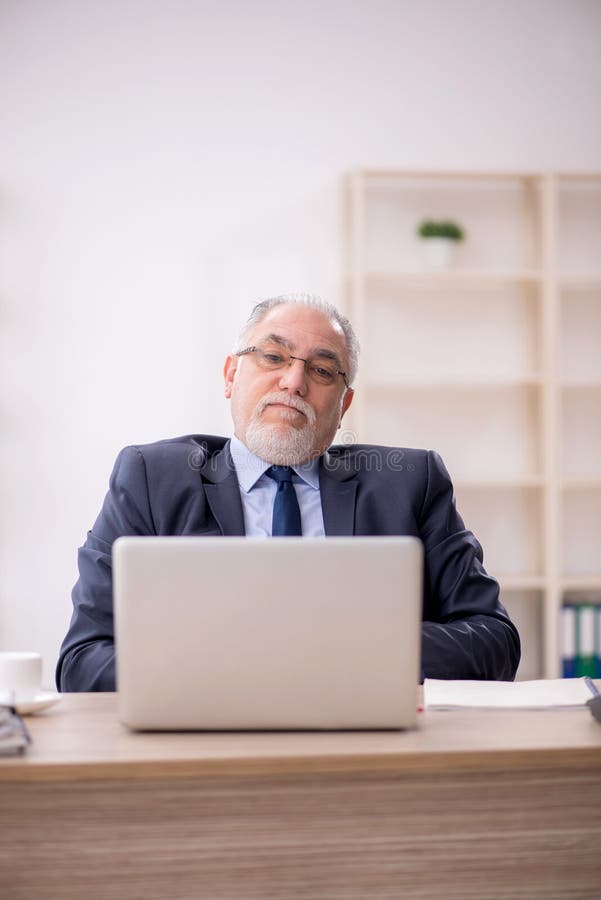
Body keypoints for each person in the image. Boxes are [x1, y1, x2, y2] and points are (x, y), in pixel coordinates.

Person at [56, 293, 520, 691]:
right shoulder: (149, 478)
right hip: (205, 744)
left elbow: (494, 642)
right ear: (230, 375)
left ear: (344, 406)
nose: (294, 382)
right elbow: (82, 662)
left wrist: (347, 650)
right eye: (273, 357)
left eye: (322, 370)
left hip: (366, 745)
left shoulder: (411, 481)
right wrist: (245, 665)